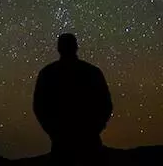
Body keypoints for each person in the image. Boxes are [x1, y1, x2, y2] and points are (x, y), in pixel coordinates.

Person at [33, 32, 112, 164]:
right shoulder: (92, 72)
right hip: (88, 140)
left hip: (62, 141)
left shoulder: (48, 73)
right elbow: (106, 103)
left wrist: (53, 131)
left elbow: (39, 106)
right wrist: (95, 128)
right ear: (76, 47)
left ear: (58, 48)